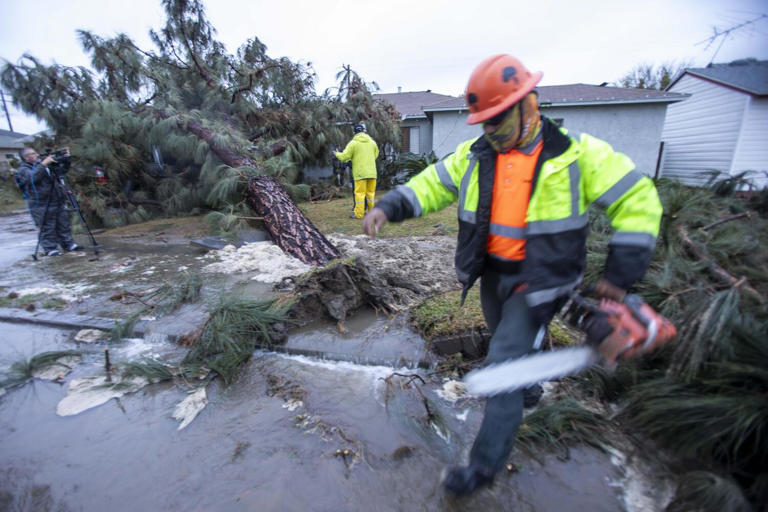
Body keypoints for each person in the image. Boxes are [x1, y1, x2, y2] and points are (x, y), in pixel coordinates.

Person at [362, 54, 662, 496]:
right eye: (484, 124)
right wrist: (391, 205)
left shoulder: (575, 155)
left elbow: (637, 198)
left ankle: (482, 469)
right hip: (491, 276)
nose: (490, 132)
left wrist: (621, 273)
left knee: (501, 366)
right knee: (504, 339)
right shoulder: (477, 154)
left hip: (540, 283)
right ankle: (529, 389)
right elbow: (434, 183)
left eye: (497, 122)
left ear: (529, 107)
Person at [17, 147, 82, 256]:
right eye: (33, 153)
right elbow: (32, 179)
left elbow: (61, 172)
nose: (36, 155)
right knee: (47, 226)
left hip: (56, 198)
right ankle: (50, 248)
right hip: (40, 203)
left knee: (63, 223)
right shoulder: (24, 169)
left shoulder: (43, 164)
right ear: (26, 157)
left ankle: (68, 244)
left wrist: (66, 160)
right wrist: (43, 165)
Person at [335, 122, 379, 219]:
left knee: (360, 194)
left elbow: (345, 157)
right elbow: (376, 155)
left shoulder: (353, 143)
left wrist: (337, 154)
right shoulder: (372, 142)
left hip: (360, 174)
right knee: (370, 194)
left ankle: (359, 214)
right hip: (372, 173)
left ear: (354, 132)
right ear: (364, 131)